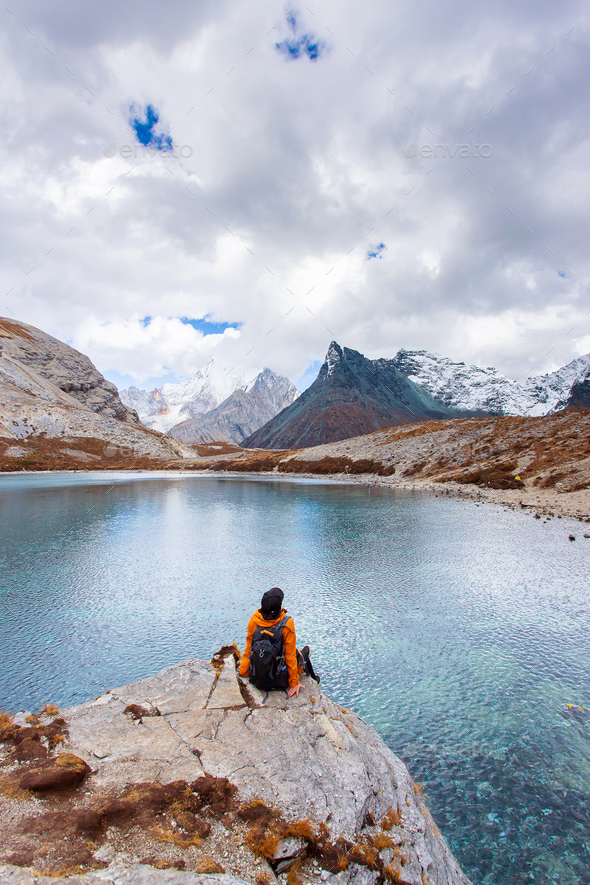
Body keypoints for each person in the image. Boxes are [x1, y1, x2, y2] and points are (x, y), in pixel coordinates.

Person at [239, 587, 319, 697]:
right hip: (280, 677)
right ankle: (315, 679)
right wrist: (294, 683)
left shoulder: (255, 620)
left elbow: (249, 648)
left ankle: (307, 658)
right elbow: (290, 656)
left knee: (299, 653)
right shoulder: (287, 623)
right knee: (302, 655)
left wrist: (244, 671)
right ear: (279, 608)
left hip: (257, 676)